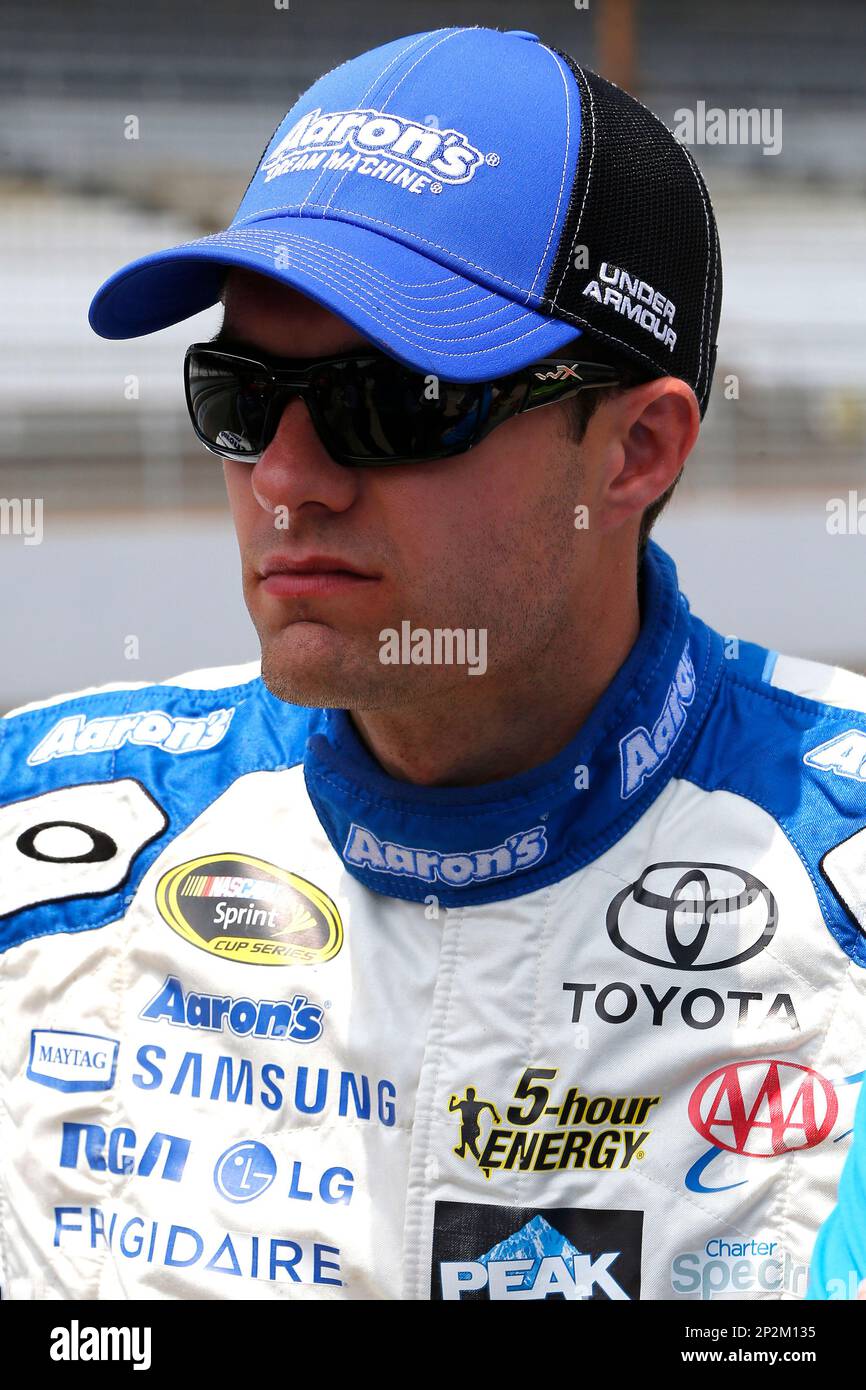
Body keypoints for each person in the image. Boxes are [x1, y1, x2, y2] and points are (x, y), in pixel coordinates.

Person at [2, 24, 866, 1304]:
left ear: (633, 451)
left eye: (390, 402)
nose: (286, 480)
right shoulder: (38, 830)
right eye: (238, 396)